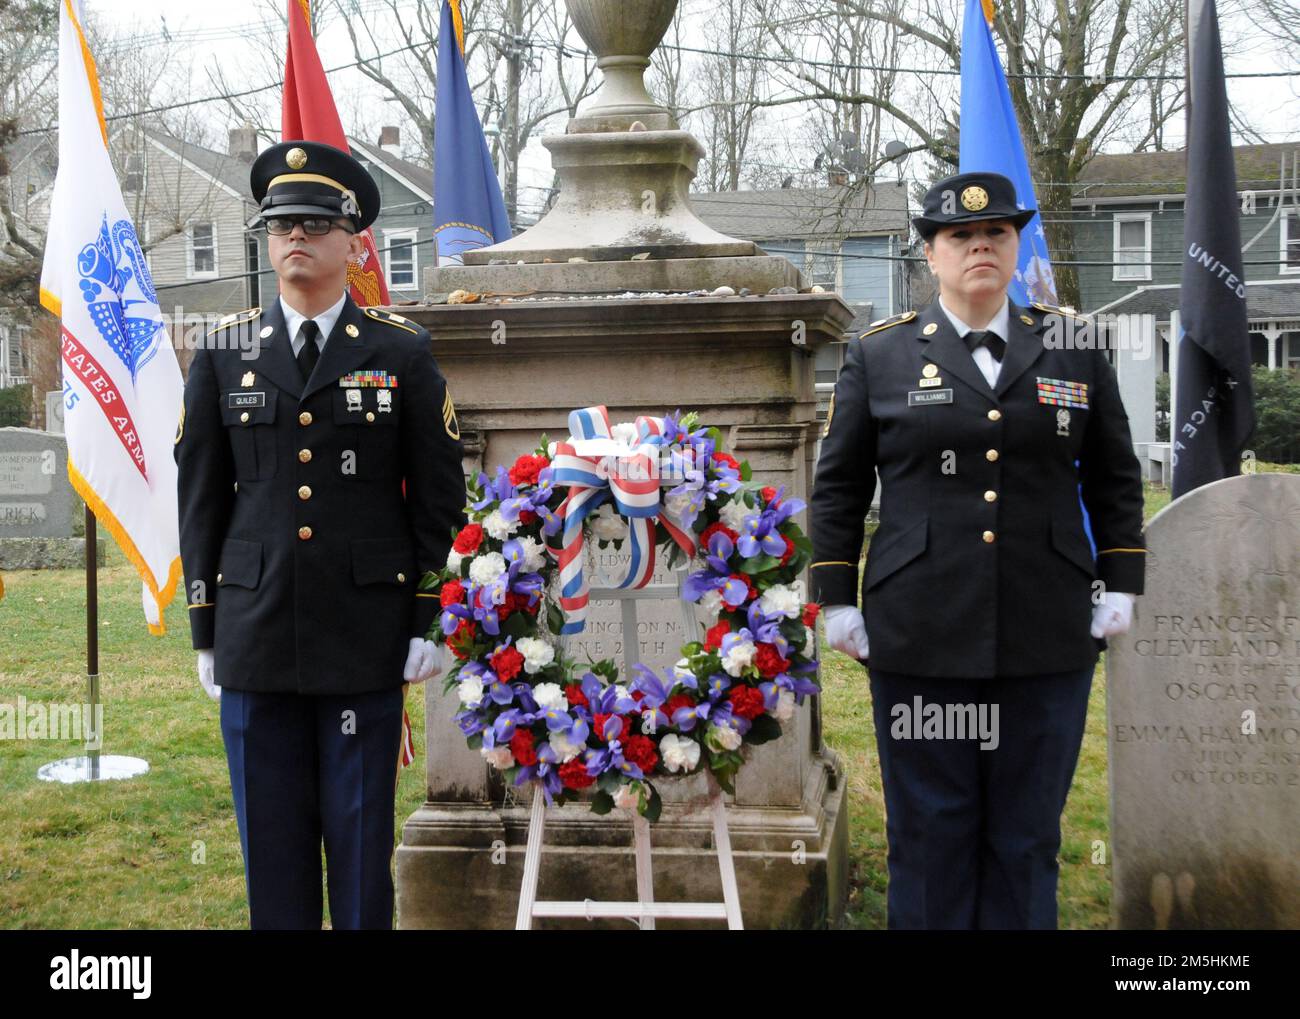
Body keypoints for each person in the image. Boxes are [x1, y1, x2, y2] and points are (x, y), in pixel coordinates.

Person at [810, 171, 1145, 930]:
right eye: (960, 235)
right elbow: (839, 486)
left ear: (1016, 244)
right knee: (930, 833)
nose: (979, 246)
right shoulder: (882, 355)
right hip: (921, 631)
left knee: (1027, 835)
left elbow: (1117, 475)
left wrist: (1120, 579)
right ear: (930, 253)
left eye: (995, 232)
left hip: (1047, 630)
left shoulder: (1074, 346)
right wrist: (834, 598)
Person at [174, 140, 467, 930]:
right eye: (279, 226)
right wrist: (206, 626)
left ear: (353, 239)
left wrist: (426, 614)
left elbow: (439, 500)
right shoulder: (225, 350)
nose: (294, 237)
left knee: (362, 842)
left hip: (362, 632)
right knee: (272, 850)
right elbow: (200, 495)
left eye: (312, 222)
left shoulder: (400, 352)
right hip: (254, 631)